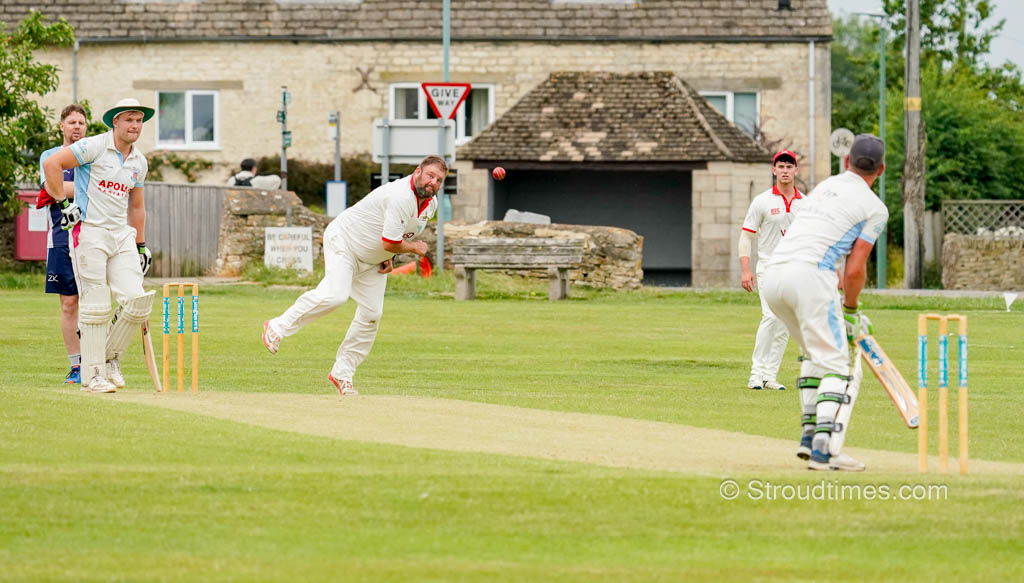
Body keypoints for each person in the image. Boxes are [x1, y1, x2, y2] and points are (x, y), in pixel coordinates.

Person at [262, 155, 446, 395]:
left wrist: (390, 259)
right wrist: (414, 249)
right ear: (418, 172)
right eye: (430, 175)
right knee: (336, 296)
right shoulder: (400, 195)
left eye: (439, 180)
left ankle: (342, 373)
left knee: (372, 314)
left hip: (372, 260)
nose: (433, 183)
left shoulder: (430, 205)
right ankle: (277, 326)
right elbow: (392, 241)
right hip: (345, 242)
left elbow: (400, 235)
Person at [760, 134, 888, 471]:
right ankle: (823, 448)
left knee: (815, 354)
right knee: (839, 364)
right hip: (811, 277)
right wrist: (851, 310)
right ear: (882, 169)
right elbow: (856, 268)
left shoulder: (826, 185)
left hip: (773, 277)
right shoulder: (875, 208)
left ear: (847, 162)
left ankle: (808, 435)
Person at [42, 98, 156, 393]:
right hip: (89, 232)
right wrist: (63, 202)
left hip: (121, 235)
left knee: (136, 302)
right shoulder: (94, 146)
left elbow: (137, 207)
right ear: (115, 122)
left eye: (138, 120)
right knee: (95, 307)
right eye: (128, 119)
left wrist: (141, 244)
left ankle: (109, 357)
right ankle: (92, 375)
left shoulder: (139, 162)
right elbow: (51, 163)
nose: (134, 125)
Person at [738, 150, 805, 391]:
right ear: (773, 170)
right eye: (781, 166)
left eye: (789, 166)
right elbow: (746, 237)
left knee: (785, 322)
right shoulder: (762, 201)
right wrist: (746, 269)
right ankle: (755, 375)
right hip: (768, 266)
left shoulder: (805, 203)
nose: (785, 170)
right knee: (770, 316)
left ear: (795, 170)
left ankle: (769, 376)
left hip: (793, 269)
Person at [37, 104, 87, 384]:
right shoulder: (50, 156)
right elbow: (52, 188)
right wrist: (81, 191)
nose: (77, 126)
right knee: (69, 304)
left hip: (91, 238)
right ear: (62, 126)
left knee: (93, 302)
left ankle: (97, 360)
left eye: (81, 122)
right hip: (59, 240)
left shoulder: (92, 156)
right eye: (72, 122)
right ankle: (77, 365)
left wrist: (69, 190)